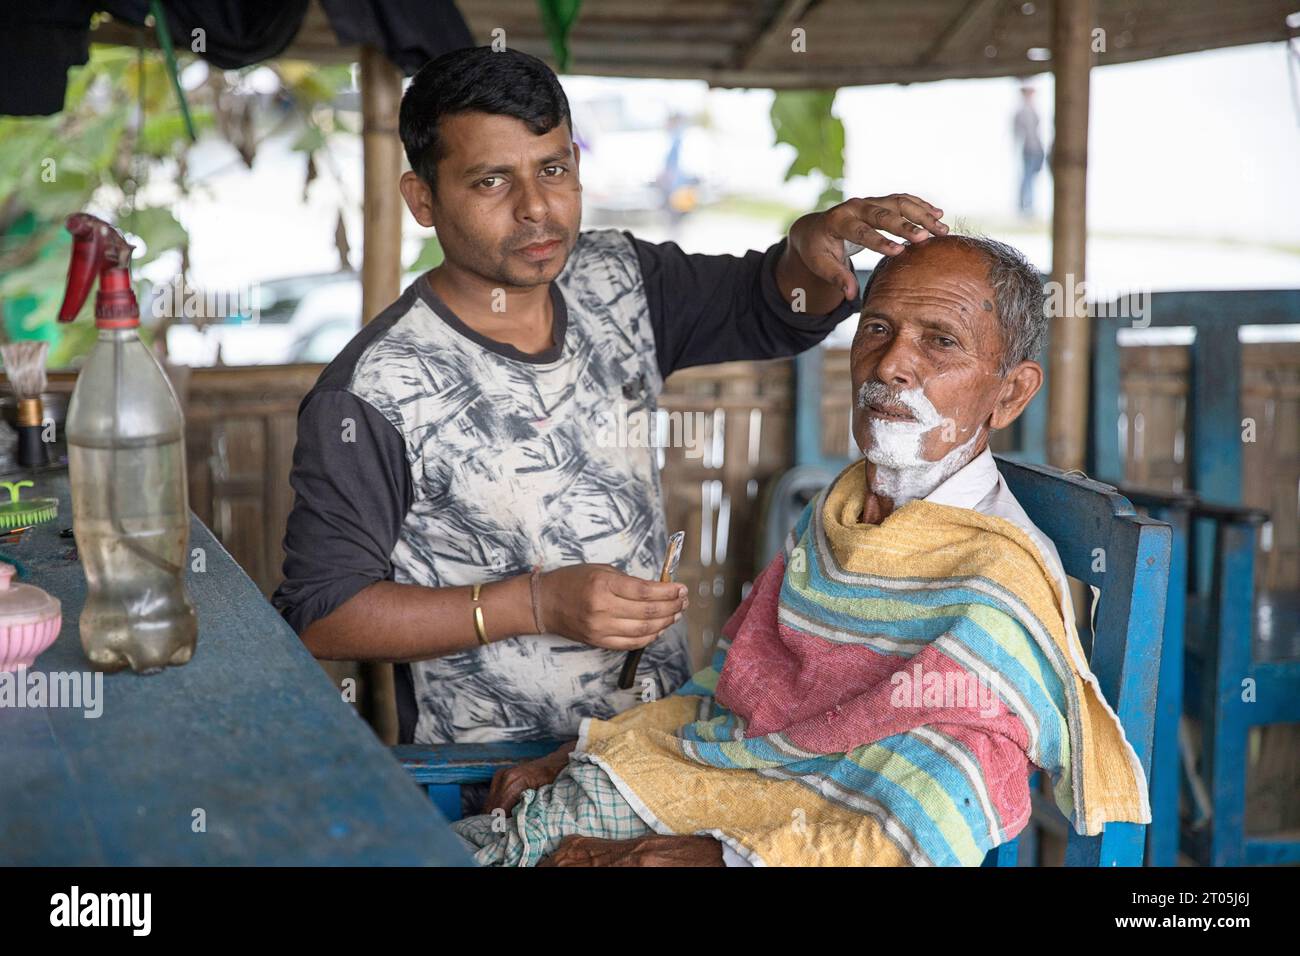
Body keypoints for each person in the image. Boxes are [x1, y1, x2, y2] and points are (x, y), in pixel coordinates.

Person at [270, 46, 948, 770]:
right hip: (483, 776)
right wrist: (534, 605)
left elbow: (771, 305)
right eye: (492, 180)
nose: (536, 207)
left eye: (554, 170)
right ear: (423, 200)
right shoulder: (374, 392)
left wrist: (809, 256)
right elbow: (321, 613)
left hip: (649, 754)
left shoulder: (617, 279)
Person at [450, 234, 1151, 866]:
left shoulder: (994, 591)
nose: (894, 363)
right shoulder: (838, 516)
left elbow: (931, 817)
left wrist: (709, 857)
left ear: (1011, 394)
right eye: (877, 328)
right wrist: (580, 752)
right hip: (715, 786)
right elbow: (735, 698)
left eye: (940, 341)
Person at [1013, 85, 1045, 217]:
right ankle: (1026, 207)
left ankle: (1026, 206)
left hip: (1035, 148)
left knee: (1029, 177)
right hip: (1029, 148)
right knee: (1027, 178)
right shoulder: (1023, 112)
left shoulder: (1031, 110)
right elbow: (1019, 133)